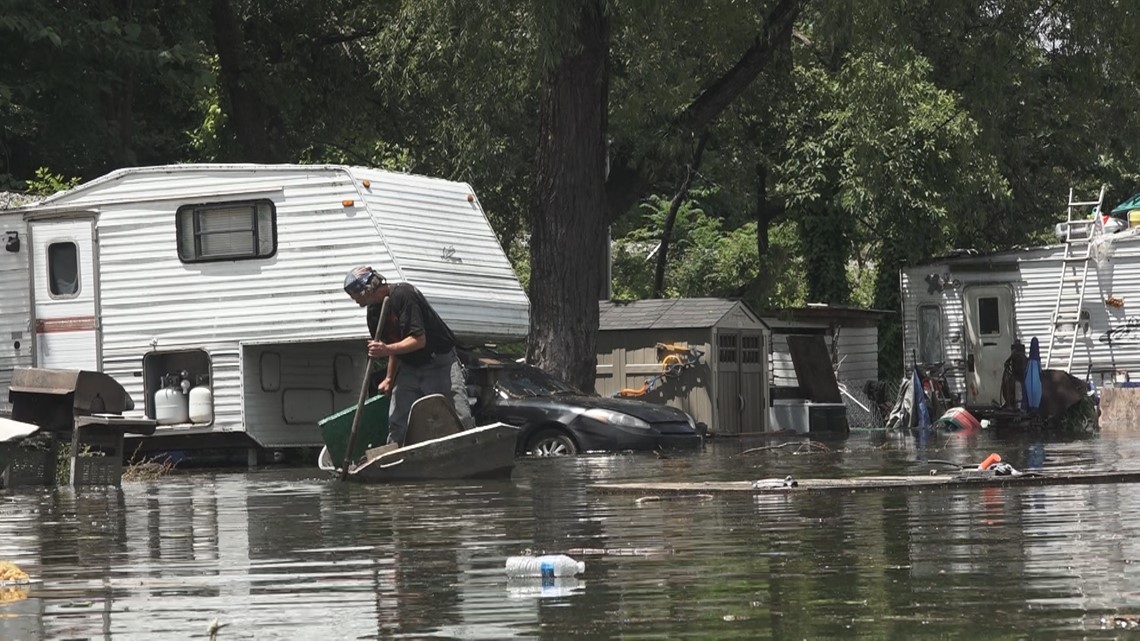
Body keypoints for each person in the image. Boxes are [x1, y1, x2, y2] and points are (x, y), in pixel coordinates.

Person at [343, 266, 475, 445]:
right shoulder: (374, 313)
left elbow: (418, 340)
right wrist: (389, 377)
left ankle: (469, 451)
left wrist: (386, 349)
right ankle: (396, 459)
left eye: (355, 295)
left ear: (368, 289)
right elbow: (393, 344)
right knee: (398, 418)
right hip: (410, 367)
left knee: (459, 416)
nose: (355, 300)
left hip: (440, 363)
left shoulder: (404, 295)